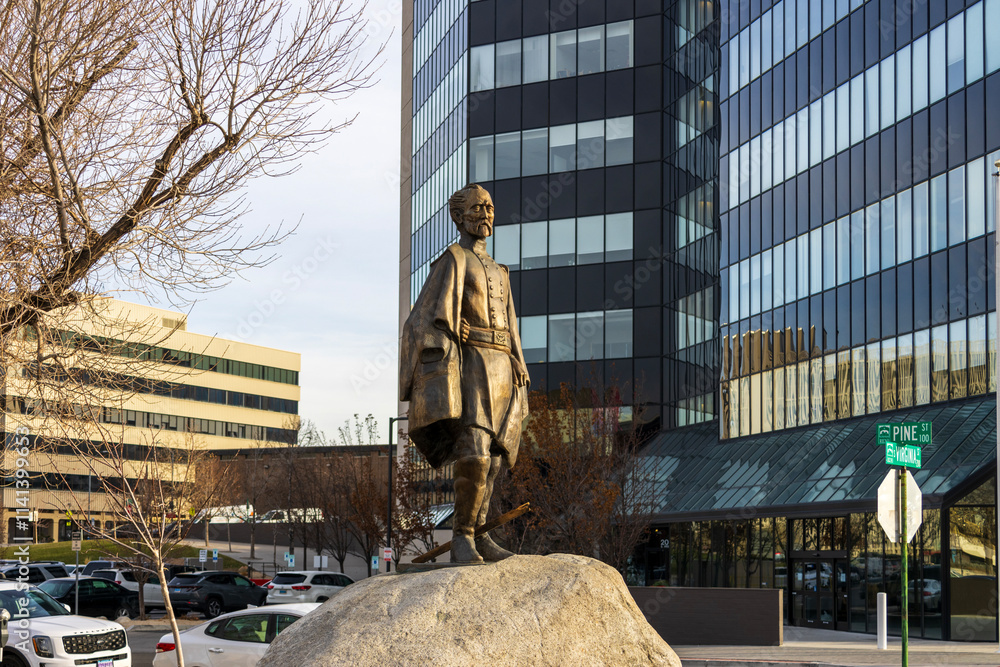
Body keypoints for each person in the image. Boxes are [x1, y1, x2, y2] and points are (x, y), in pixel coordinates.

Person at [399, 183, 529, 563]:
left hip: (504, 366)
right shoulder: (453, 259)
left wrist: (519, 361)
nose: (484, 213)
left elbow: (513, 326)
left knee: (497, 458)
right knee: (475, 453)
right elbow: (421, 320)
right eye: (475, 208)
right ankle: (462, 537)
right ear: (458, 217)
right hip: (472, 365)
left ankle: (481, 533)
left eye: (489, 207)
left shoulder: (500, 271)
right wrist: (453, 331)